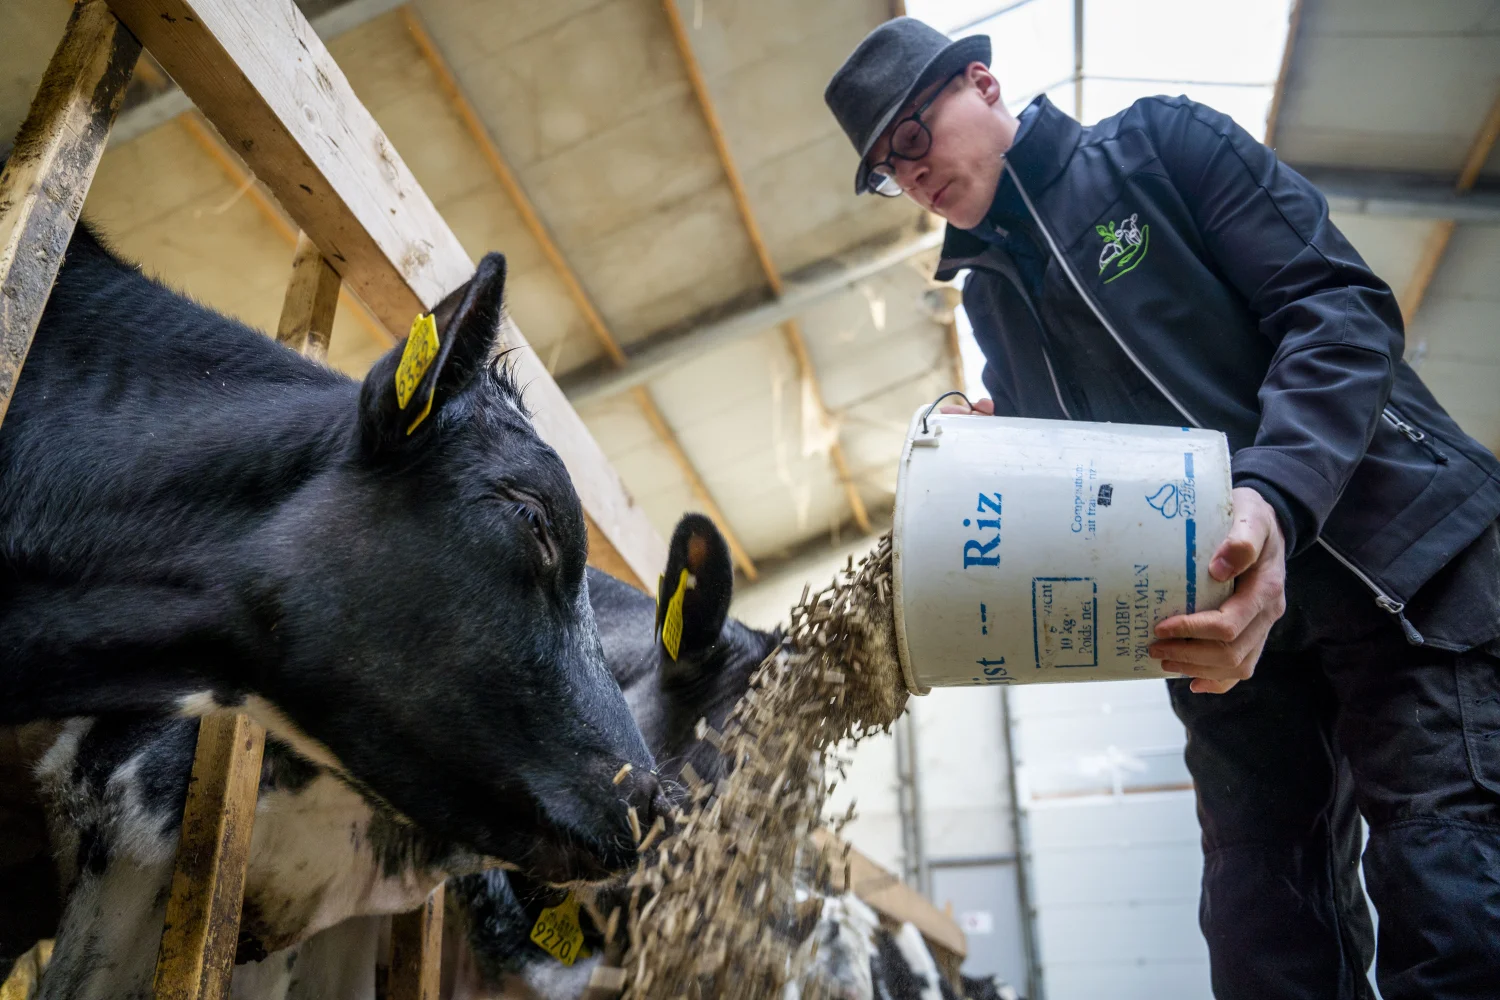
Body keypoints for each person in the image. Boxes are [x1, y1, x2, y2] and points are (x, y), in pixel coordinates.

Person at [826, 17, 1500, 1000]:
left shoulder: (1161, 147)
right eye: (889, 168)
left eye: (914, 134)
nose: (911, 172)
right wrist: (1006, 457)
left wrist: (1274, 495)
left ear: (983, 83)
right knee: (1261, 931)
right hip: (1230, 642)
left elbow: (1339, 312)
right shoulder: (992, 306)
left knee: (1451, 900)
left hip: (1398, 565)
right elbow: (1086, 488)